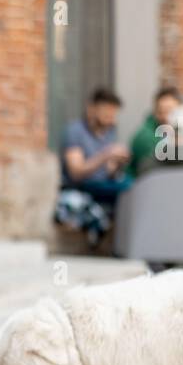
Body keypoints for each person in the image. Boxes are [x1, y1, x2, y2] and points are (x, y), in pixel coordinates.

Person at [55, 87, 129, 248]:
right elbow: (76, 172)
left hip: (104, 186)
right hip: (83, 187)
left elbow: (108, 172)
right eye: (106, 113)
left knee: (132, 186)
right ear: (92, 109)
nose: (110, 119)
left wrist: (117, 163)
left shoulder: (109, 132)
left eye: (113, 115)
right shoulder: (75, 131)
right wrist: (105, 154)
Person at [128, 85, 181, 179]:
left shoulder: (180, 129)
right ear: (155, 112)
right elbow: (162, 167)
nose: (165, 117)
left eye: (170, 111)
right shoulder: (144, 137)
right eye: (161, 112)